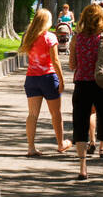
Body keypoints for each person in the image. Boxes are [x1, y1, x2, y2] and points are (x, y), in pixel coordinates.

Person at [69, 3, 103, 179]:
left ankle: (83, 168)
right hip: (101, 86)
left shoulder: (76, 39)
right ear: (100, 19)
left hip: (82, 85)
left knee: (81, 124)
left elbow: (72, 65)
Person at [19, 10, 72, 156]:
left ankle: (31, 147)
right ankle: (61, 144)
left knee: (32, 114)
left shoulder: (29, 37)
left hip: (31, 78)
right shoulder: (50, 37)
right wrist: (61, 80)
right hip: (48, 78)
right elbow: (55, 61)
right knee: (56, 113)